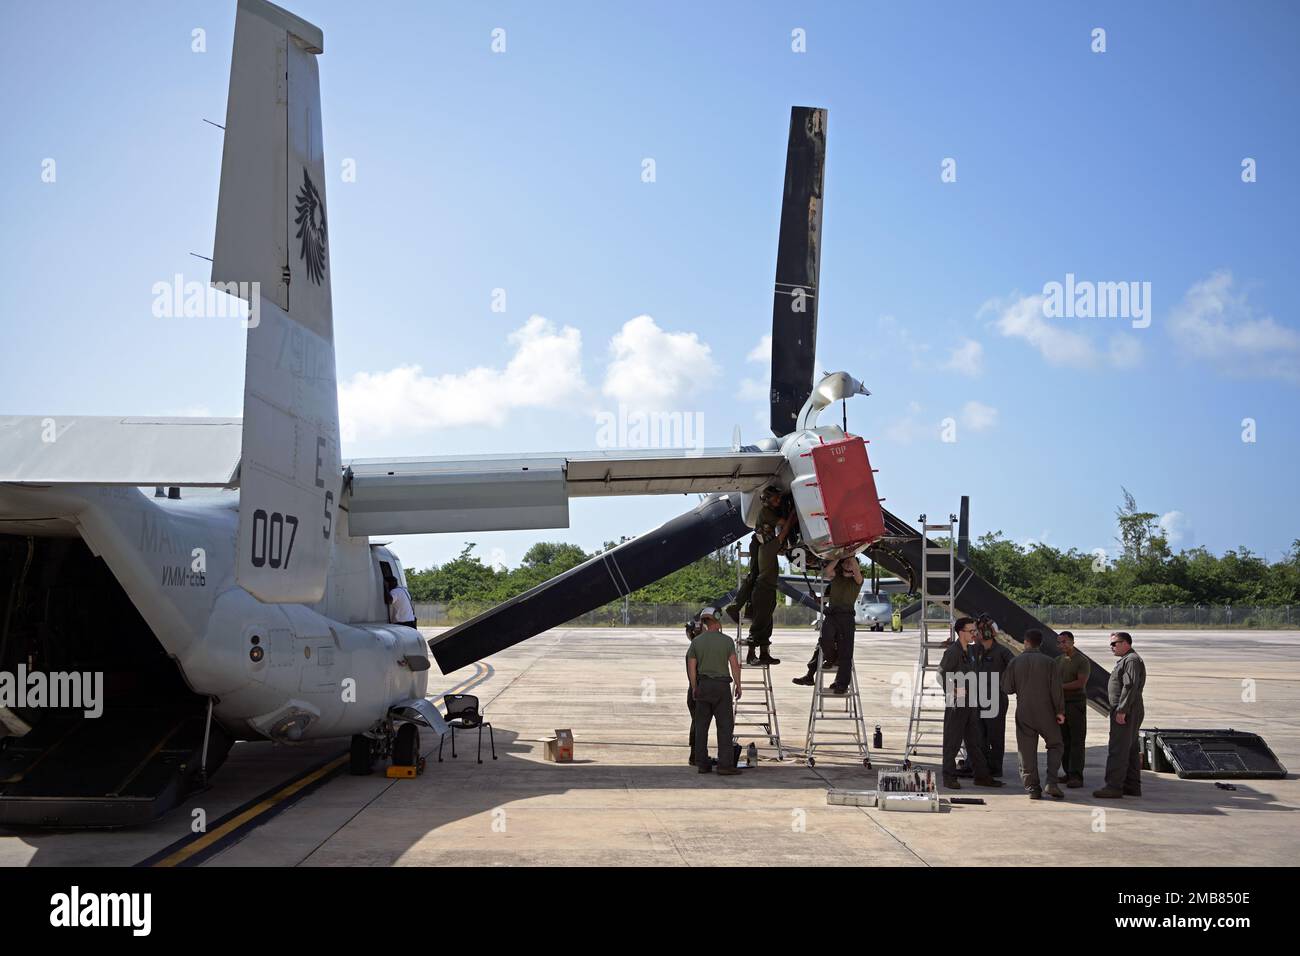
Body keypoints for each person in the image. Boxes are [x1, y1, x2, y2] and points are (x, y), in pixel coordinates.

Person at [1000, 629, 1065, 800]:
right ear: (1040, 643)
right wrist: (1060, 711)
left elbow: (1007, 688)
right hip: (1047, 711)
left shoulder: (1015, 662)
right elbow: (1056, 690)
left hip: (1024, 710)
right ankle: (1051, 782)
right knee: (1055, 744)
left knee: (1026, 750)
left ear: (1026, 642)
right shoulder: (1050, 662)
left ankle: (1032, 788)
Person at [939, 617, 1002, 790]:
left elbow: (989, 643)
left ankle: (982, 776)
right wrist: (954, 689)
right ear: (961, 632)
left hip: (971, 702)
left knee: (975, 741)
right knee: (952, 741)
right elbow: (941, 674)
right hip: (957, 702)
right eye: (971, 631)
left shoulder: (973, 651)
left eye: (975, 631)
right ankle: (949, 777)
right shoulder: (953, 652)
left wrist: (991, 632)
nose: (975, 634)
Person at [792, 554, 863, 693]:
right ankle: (831, 659)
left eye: (851, 563)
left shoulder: (857, 580)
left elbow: (856, 570)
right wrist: (838, 556)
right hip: (832, 615)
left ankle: (841, 684)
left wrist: (850, 554)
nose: (849, 564)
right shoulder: (836, 577)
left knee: (846, 651)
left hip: (847, 616)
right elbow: (826, 572)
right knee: (824, 640)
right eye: (846, 562)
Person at [687, 607, 743, 776]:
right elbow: (734, 665)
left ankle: (702, 763)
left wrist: (695, 687)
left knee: (701, 726)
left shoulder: (697, 642)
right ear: (717, 620)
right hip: (721, 687)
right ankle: (725, 765)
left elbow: (692, 667)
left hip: (703, 686)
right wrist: (738, 685)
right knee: (725, 727)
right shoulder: (727, 641)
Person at [742, 487, 793, 666]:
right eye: (775, 498)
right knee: (759, 623)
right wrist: (792, 516)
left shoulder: (768, 546)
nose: (778, 500)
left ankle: (764, 653)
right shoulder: (767, 547)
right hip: (763, 590)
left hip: (769, 589)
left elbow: (782, 544)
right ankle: (750, 654)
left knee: (767, 622)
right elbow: (784, 531)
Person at [1094, 632, 1146, 799]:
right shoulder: (1129, 659)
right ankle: (1131, 786)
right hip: (1130, 709)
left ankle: (1113, 786)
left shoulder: (1130, 660)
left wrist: (1122, 710)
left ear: (1126, 643)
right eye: (1111, 644)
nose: (1112, 647)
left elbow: (1129, 686)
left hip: (1126, 710)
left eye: (1115, 643)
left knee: (1118, 749)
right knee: (1130, 749)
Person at [725, 486, 785, 624]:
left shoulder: (769, 511)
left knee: (756, 578)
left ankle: (746, 608)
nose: (778, 501)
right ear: (768, 500)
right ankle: (735, 607)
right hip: (759, 545)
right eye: (776, 498)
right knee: (755, 577)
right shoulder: (767, 512)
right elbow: (782, 523)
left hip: (761, 544)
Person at [975, 619, 1013, 776]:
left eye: (977, 631)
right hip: (977, 699)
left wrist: (1007, 687)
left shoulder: (1002, 652)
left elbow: (1015, 668)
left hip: (995, 699)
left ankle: (995, 768)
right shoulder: (974, 651)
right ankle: (981, 767)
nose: (975, 634)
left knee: (995, 735)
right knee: (978, 735)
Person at [1054, 631, 1091, 788]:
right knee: (1064, 740)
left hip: (1075, 703)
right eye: (1059, 642)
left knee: (1077, 740)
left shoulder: (1081, 661)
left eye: (1064, 642)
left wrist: (1059, 687)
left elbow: (1080, 683)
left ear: (1072, 642)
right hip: (1061, 705)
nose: (1061, 645)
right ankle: (1068, 773)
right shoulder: (1058, 660)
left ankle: (1076, 776)